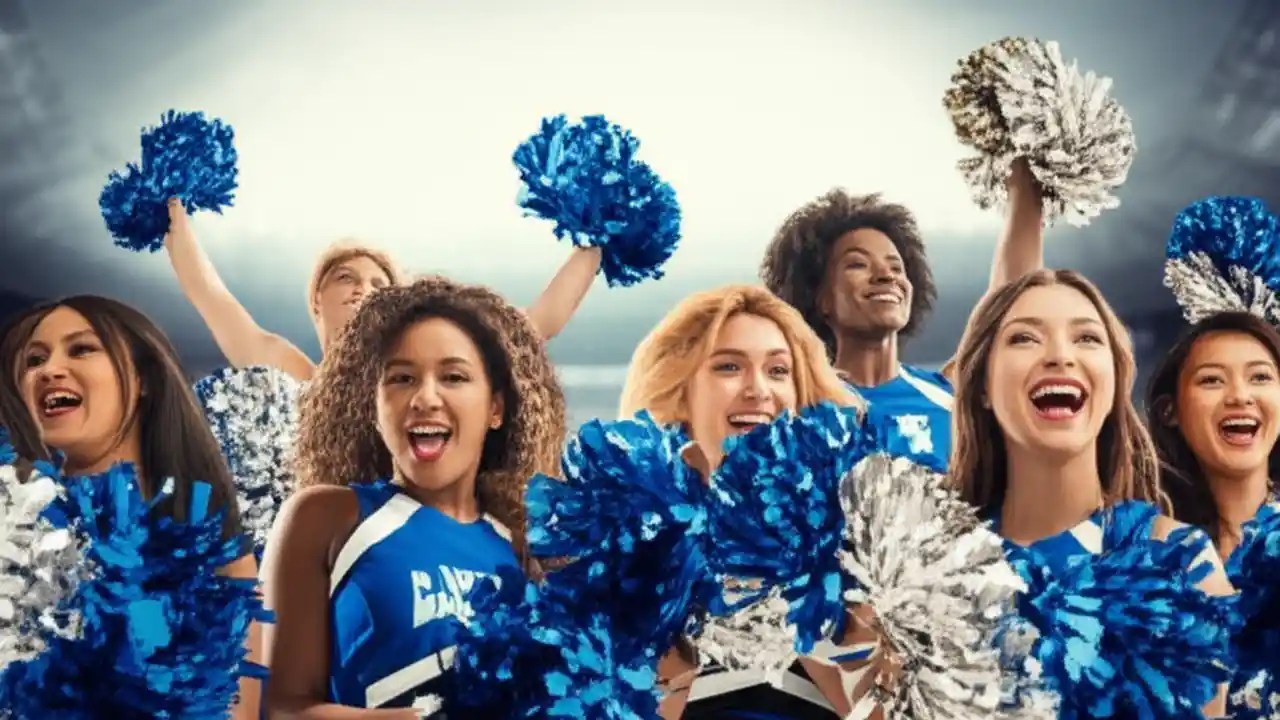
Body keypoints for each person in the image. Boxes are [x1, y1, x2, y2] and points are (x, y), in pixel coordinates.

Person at [262, 275, 566, 717]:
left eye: (454, 377)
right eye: (402, 378)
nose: (425, 397)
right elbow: (280, 709)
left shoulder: (521, 552)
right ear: (374, 406)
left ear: (495, 408)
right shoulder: (326, 516)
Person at [946, 269, 1233, 717]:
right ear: (982, 385)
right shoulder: (937, 573)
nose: (1060, 356)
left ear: (1115, 380)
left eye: (1087, 338)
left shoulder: (1181, 563)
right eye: (1024, 338)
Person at [0, 295, 263, 720]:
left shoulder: (223, 557)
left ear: (144, 379)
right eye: (34, 360)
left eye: (81, 349)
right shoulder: (13, 536)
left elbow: (238, 712)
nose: (48, 370)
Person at [619, 284, 871, 720]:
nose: (758, 390)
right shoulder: (626, 545)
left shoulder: (856, 537)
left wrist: (794, 578)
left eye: (778, 370)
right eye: (729, 367)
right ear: (681, 392)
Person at [760, 160, 1046, 469]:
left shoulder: (949, 394)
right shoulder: (797, 409)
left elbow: (1010, 299)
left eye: (897, 267)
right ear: (820, 298)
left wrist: (1023, 171)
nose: (886, 276)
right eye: (858, 264)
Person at [162, 200, 602, 382]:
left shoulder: (422, 376)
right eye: (346, 278)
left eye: (378, 284)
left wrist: (595, 240)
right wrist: (172, 213)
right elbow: (210, 296)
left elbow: (537, 323)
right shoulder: (291, 375)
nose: (363, 290)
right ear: (316, 299)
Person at [1145, 311, 1280, 558]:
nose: (1240, 396)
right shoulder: (1146, 543)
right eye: (1212, 380)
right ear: (1169, 410)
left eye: (1260, 377)